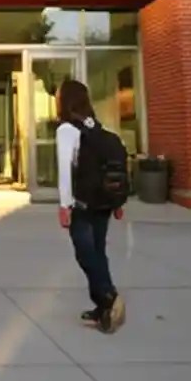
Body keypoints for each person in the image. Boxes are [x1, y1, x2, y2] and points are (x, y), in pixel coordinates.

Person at [57, 79, 127, 334]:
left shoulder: (66, 129)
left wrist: (64, 205)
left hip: (82, 204)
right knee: (98, 251)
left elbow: (66, 171)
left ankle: (109, 296)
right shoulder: (97, 128)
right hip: (103, 202)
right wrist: (118, 202)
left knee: (85, 254)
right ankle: (101, 308)